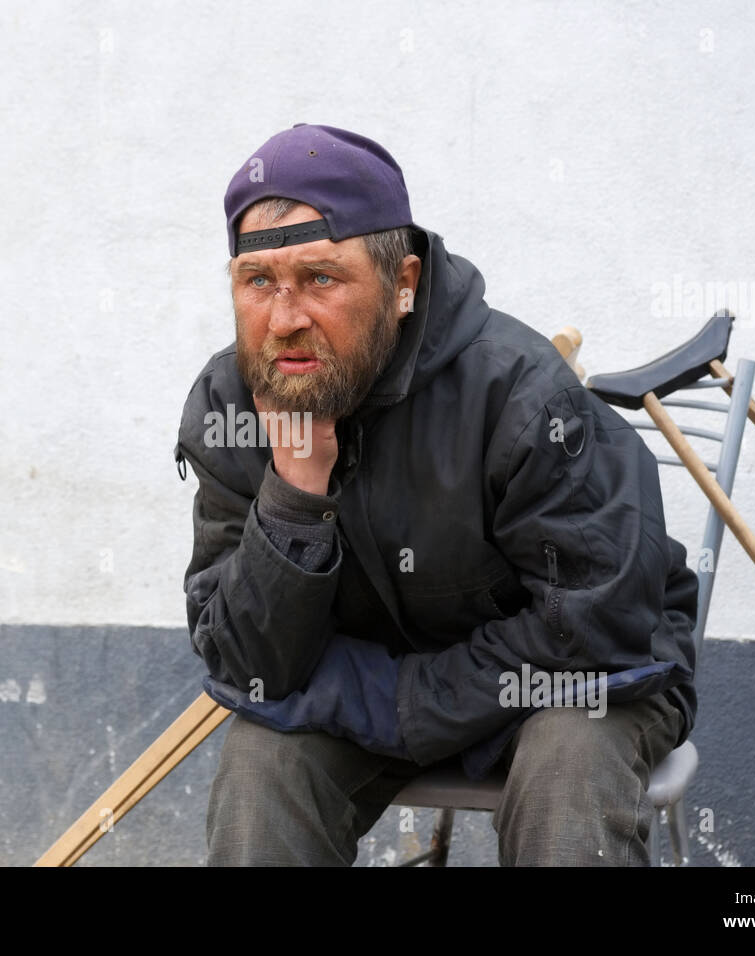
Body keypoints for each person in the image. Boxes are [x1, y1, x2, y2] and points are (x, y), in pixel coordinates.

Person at [172, 123, 699, 866]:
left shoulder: (520, 394)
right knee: (264, 765)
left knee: (566, 769)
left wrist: (398, 702)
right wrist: (294, 492)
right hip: (370, 690)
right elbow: (245, 663)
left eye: (320, 278)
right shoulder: (234, 402)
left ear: (404, 285)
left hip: (573, 685)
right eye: (259, 282)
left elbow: (592, 627)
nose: (284, 318)